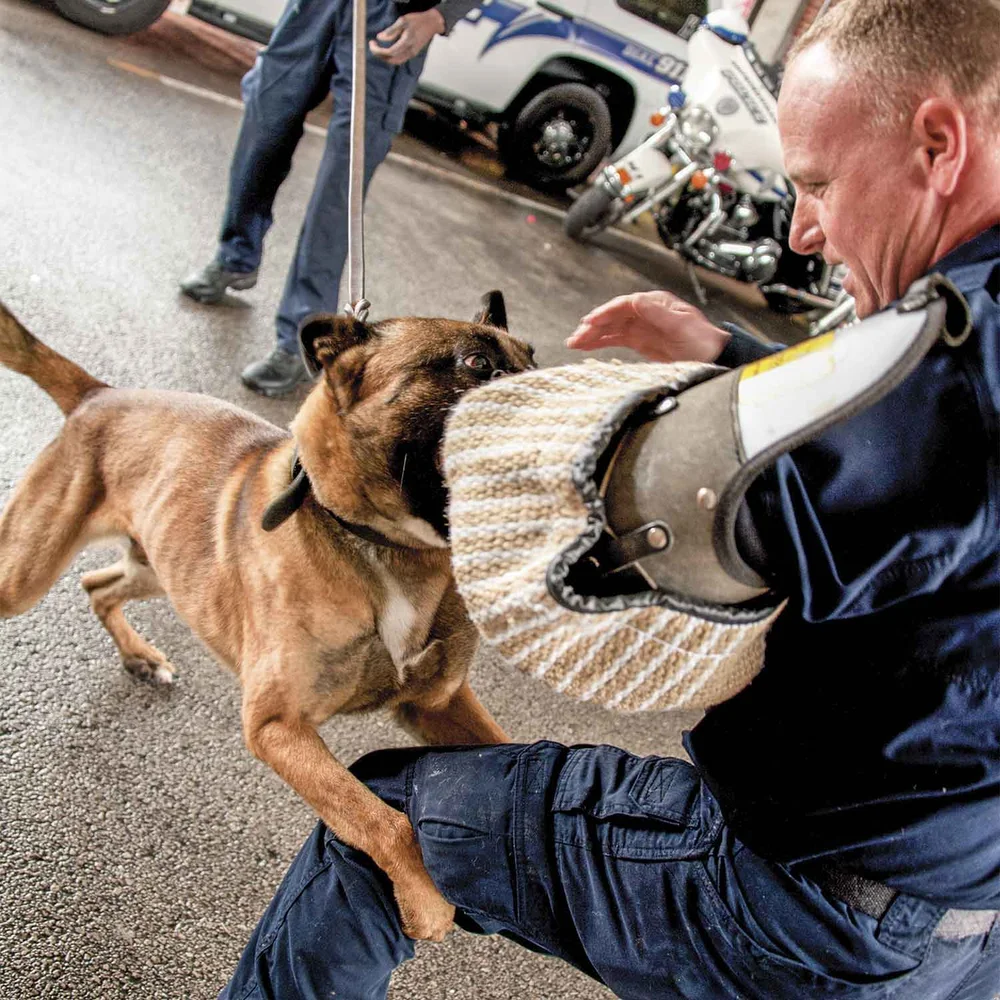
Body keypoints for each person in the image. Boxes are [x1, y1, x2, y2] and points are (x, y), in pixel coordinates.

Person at [217, 1, 1000, 996]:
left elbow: (666, 525)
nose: (806, 227)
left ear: (938, 142)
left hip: (803, 901)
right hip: (972, 924)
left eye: (817, 182)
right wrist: (734, 356)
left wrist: (532, 458)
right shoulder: (950, 360)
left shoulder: (950, 361)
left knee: (384, 825)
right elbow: (920, 464)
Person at [180, 0, 481, 396]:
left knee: (341, 185)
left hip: (391, 19)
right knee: (265, 121)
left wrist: (441, 16)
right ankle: (236, 256)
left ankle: (301, 340)